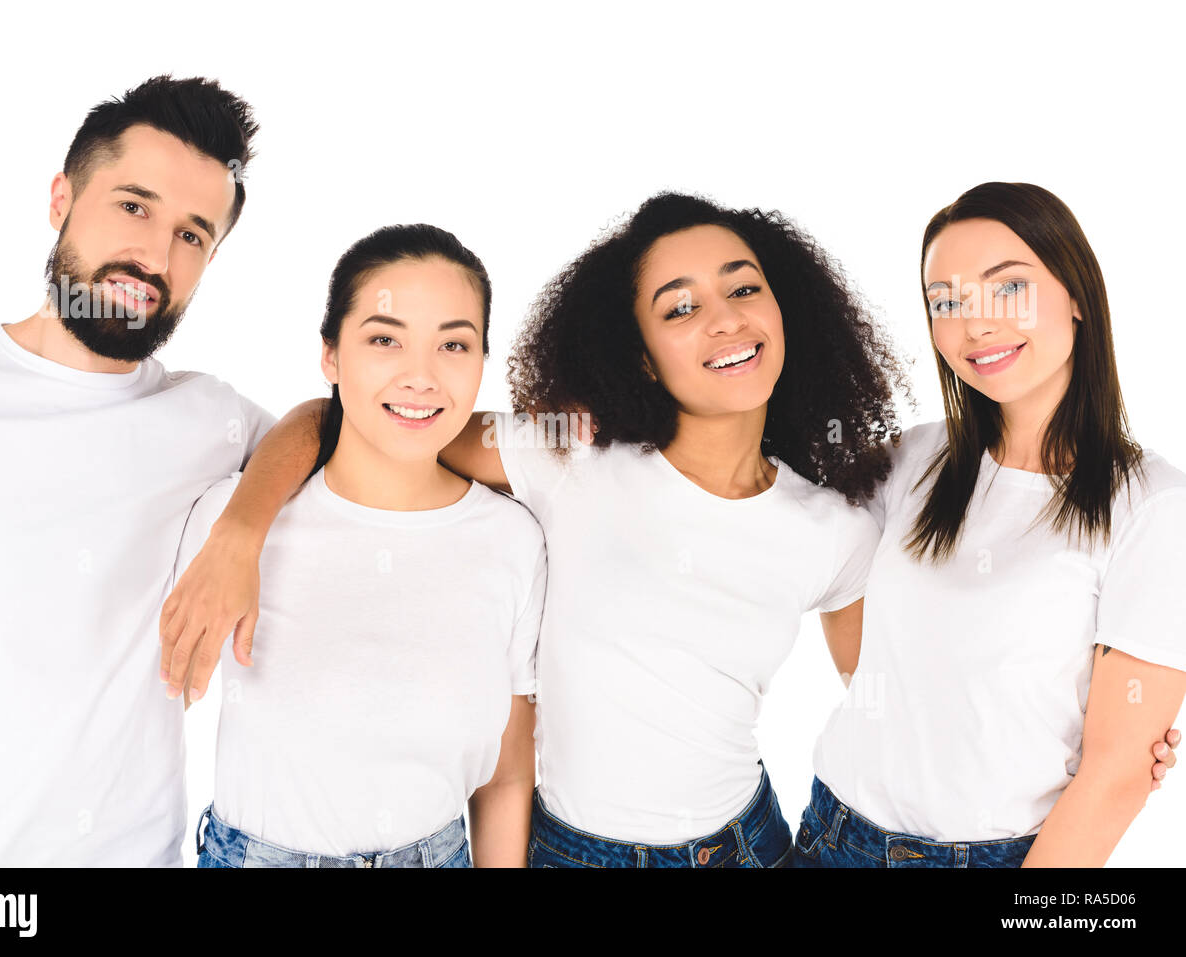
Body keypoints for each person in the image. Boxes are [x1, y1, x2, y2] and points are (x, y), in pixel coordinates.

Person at [160, 192, 905, 867]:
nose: (724, 318)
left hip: (745, 846)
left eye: (744, 288)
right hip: (567, 851)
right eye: (679, 307)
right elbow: (352, 420)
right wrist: (243, 529)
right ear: (642, 357)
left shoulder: (834, 528)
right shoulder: (569, 455)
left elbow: (886, 711)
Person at [0, 75, 274, 866]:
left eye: (192, 235)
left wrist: (243, 527)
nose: (155, 256)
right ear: (62, 198)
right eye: (133, 206)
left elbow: (340, 432)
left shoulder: (208, 417)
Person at [798, 182, 1186, 867]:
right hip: (834, 834)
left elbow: (1116, 776)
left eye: (1006, 288)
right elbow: (841, 595)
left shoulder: (1150, 506)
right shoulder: (909, 458)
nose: (974, 324)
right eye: (946, 301)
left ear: (1076, 295)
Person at [179, 224, 545, 868]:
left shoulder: (513, 540)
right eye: (384, 339)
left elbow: (508, 774)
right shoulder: (233, 522)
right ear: (331, 355)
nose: (421, 377)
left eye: (453, 345)